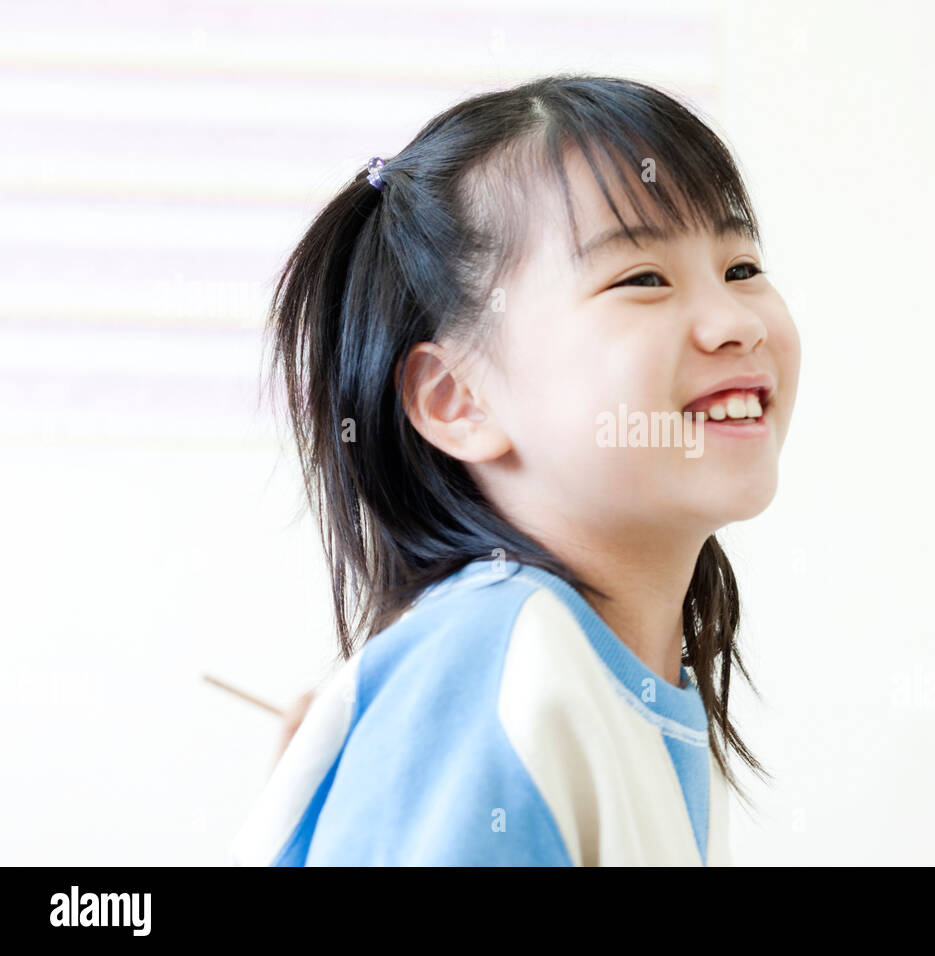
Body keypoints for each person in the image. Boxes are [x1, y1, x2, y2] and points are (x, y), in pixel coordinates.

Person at [231, 73, 800, 866]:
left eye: (742, 267)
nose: (736, 322)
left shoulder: (584, 679)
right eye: (643, 278)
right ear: (459, 398)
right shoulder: (492, 668)